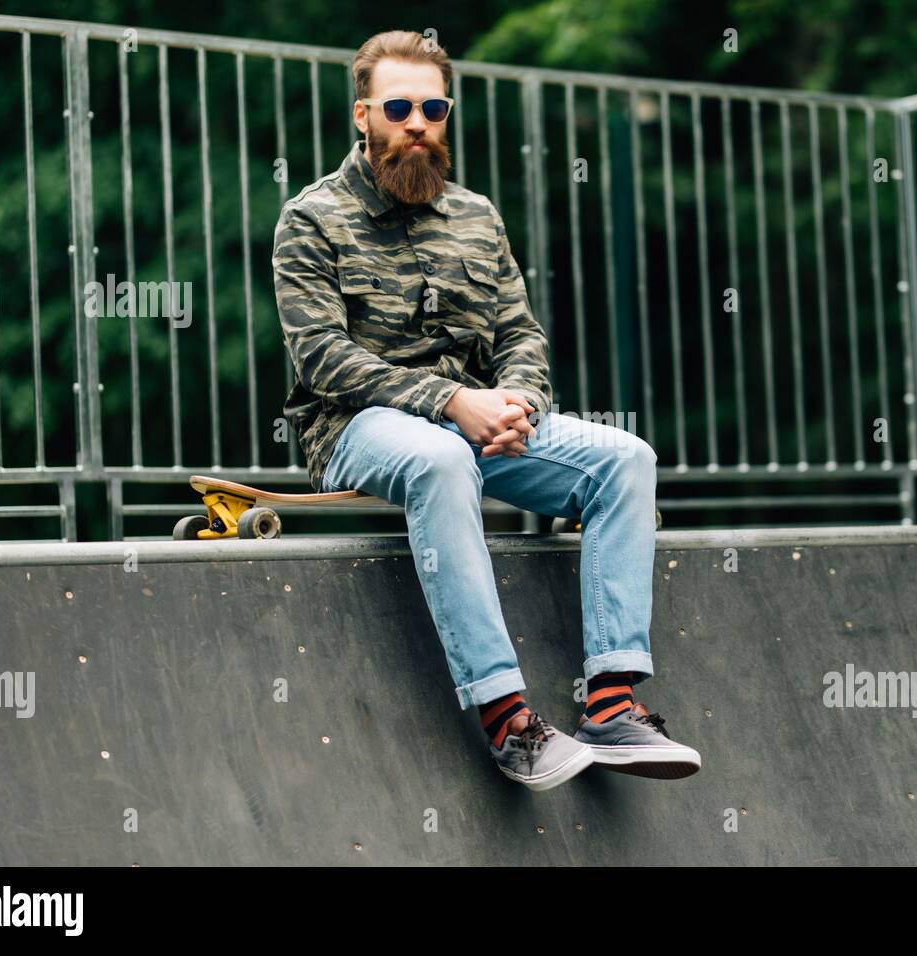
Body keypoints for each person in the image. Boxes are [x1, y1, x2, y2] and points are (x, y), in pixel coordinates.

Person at [273, 29, 700, 791]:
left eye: (432, 107)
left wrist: (520, 403)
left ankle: (612, 702)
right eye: (398, 107)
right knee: (437, 458)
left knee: (627, 461)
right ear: (362, 116)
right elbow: (321, 357)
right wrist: (450, 401)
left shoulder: (476, 215)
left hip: (479, 424)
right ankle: (508, 720)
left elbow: (519, 334)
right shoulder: (311, 219)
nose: (417, 122)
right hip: (355, 427)